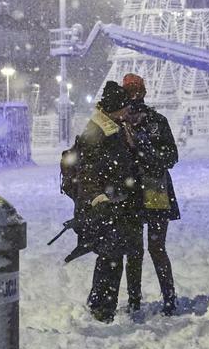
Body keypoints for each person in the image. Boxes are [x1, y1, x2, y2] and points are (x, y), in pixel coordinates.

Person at [75, 81, 143, 322]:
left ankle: (103, 304)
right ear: (115, 108)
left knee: (112, 255)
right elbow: (87, 171)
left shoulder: (114, 127)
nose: (128, 111)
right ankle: (102, 307)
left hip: (116, 202)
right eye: (124, 107)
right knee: (110, 256)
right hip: (105, 205)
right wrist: (98, 197)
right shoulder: (97, 132)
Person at [121, 73, 180, 315]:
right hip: (131, 193)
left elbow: (171, 157)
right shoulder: (119, 124)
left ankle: (169, 297)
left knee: (156, 248)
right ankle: (134, 299)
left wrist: (144, 148)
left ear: (144, 92)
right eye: (130, 91)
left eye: (137, 90)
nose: (135, 96)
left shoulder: (156, 121)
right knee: (134, 250)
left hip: (156, 190)